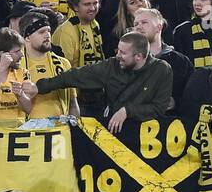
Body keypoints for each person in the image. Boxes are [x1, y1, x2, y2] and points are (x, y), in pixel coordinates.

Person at [26, 30, 173, 130]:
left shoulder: (162, 70)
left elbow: (159, 108)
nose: (118, 55)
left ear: (139, 57)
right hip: (114, 130)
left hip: (148, 132)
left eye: (123, 53)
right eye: (118, 50)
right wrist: (39, 87)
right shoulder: (111, 65)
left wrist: (128, 111)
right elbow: (74, 76)